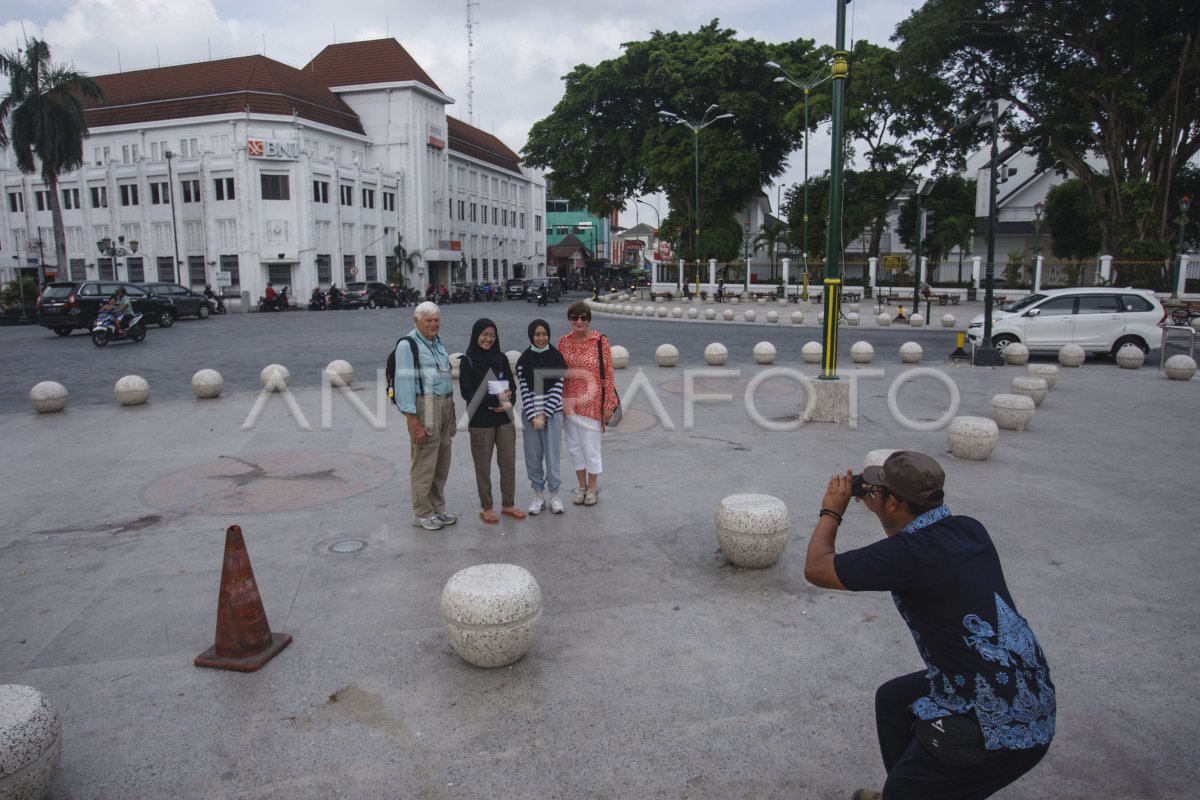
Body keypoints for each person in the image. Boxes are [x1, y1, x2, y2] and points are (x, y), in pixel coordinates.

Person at [804, 451, 1055, 800]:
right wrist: (880, 505)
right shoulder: (969, 529)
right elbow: (911, 549)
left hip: (999, 724)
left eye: (880, 492)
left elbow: (817, 568)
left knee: (902, 788)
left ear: (893, 502)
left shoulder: (907, 555)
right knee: (894, 701)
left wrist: (832, 510)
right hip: (1031, 691)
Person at [392, 301, 459, 531]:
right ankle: (422, 512)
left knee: (442, 461)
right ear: (416, 321)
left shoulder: (436, 343)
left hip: (444, 405)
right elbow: (403, 384)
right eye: (428, 320)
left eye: (436, 320)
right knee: (424, 462)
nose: (433, 324)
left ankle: (437, 507)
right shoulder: (407, 346)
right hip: (424, 406)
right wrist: (412, 421)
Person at [458, 318, 525, 524]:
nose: (488, 339)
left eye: (492, 336)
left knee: (508, 463)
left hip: (504, 419)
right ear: (476, 335)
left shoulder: (501, 358)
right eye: (484, 335)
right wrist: (493, 401)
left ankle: (508, 504)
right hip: (480, 421)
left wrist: (508, 403)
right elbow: (467, 392)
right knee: (483, 466)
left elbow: (512, 388)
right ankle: (487, 506)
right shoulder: (467, 361)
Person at [557, 300, 617, 506]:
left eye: (583, 317)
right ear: (569, 320)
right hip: (569, 403)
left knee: (591, 447)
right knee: (574, 447)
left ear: (589, 319)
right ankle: (581, 486)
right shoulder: (563, 341)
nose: (579, 321)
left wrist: (609, 404)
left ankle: (593, 487)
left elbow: (608, 374)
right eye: (575, 317)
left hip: (592, 404)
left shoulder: (600, 341)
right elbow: (557, 371)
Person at [516, 319, 567, 515]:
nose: (541, 338)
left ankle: (554, 494)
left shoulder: (556, 358)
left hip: (552, 415)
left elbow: (558, 389)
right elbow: (524, 391)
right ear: (531, 335)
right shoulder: (523, 361)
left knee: (553, 455)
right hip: (531, 418)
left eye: (544, 333)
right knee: (532, 456)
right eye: (537, 334)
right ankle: (538, 495)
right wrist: (532, 416)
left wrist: (545, 414)